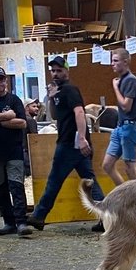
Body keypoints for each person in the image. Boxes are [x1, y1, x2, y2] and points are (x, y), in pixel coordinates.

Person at [26, 56, 105, 231]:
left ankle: (39, 215)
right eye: (53, 71)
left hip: (70, 144)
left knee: (54, 181)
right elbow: (55, 116)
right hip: (74, 144)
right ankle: (107, 218)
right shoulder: (59, 92)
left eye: (59, 70)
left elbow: (79, 113)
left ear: (67, 71)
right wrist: (51, 97)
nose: (55, 74)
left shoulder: (70, 90)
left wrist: (83, 138)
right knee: (90, 182)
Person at [101, 48, 136, 186]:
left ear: (125, 62)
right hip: (120, 127)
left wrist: (115, 88)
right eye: (112, 61)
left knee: (130, 167)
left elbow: (126, 106)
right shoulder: (122, 80)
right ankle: (124, 194)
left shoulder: (130, 80)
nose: (112, 64)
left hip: (129, 127)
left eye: (115, 61)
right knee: (107, 165)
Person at [0, 67, 31, 236]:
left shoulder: (14, 100)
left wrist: (4, 123)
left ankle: (21, 223)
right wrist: (5, 116)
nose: (0, 82)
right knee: (1, 189)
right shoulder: (9, 107)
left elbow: (22, 123)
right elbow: (13, 118)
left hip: (14, 151)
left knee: (16, 186)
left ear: (5, 81)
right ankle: (9, 222)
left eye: (2, 79)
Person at [22, 97, 39, 175]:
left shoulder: (22, 119)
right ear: (27, 108)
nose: (37, 108)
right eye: (34, 106)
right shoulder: (30, 120)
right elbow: (35, 139)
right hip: (27, 154)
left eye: (37, 106)